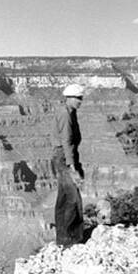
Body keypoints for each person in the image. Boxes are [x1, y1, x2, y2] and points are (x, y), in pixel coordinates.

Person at [53, 83, 85, 247]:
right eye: (78, 98)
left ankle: (62, 238)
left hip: (68, 155)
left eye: (81, 98)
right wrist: (72, 167)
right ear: (69, 98)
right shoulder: (65, 114)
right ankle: (71, 239)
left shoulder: (71, 112)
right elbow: (66, 142)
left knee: (64, 197)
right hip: (64, 157)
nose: (81, 101)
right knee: (73, 198)